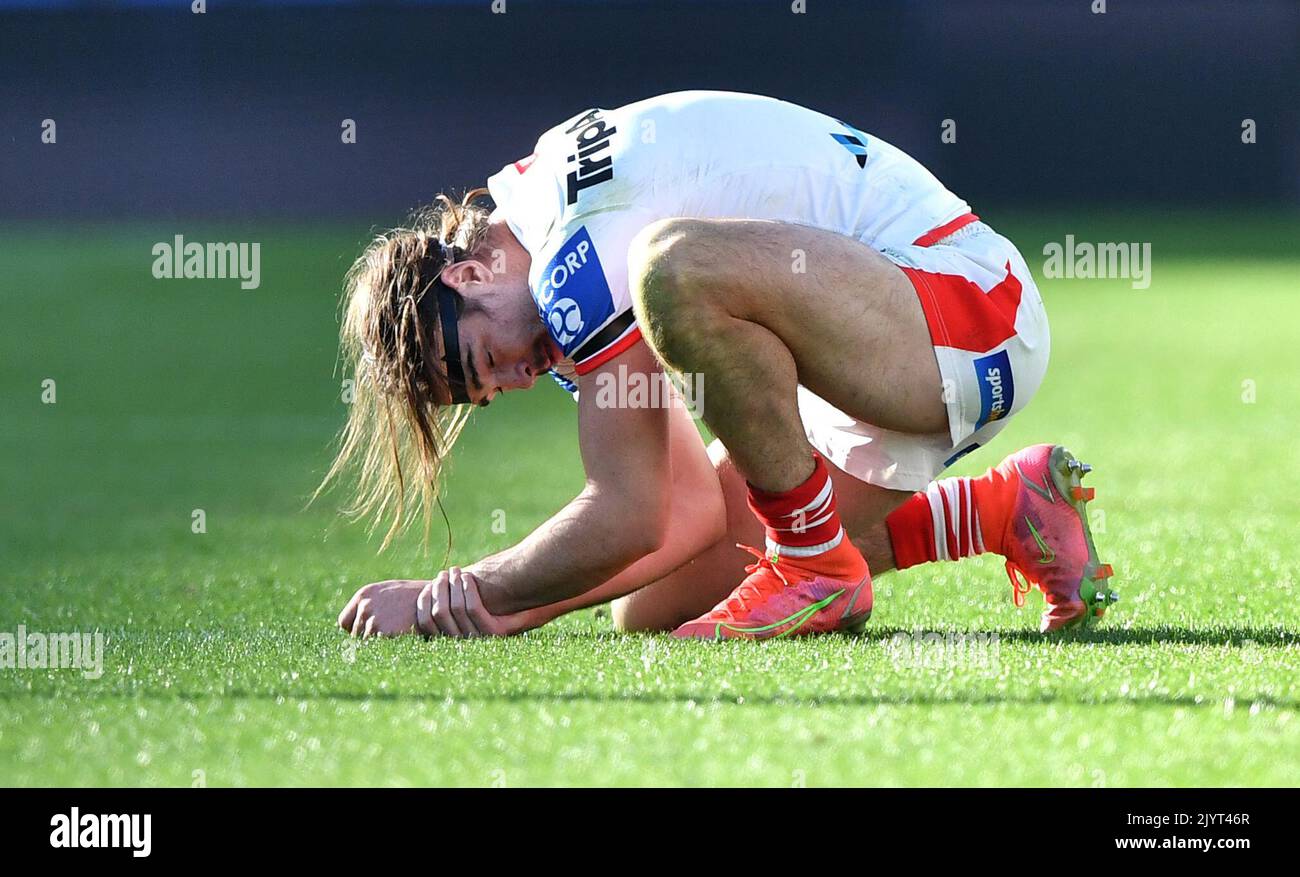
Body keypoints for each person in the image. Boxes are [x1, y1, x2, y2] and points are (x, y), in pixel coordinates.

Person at [325, 91, 1115, 641]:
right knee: (649, 606)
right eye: (491, 392)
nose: (517, 379)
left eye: (483, 363)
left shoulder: (567, 258)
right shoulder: (540, 249)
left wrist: (451, 596)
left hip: (968, 306)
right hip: (893, 332)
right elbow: (681, 515)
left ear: (469, 275)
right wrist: (496, 609)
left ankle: (813, 562)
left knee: (671, 268)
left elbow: (628, 512)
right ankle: (1005, 508)